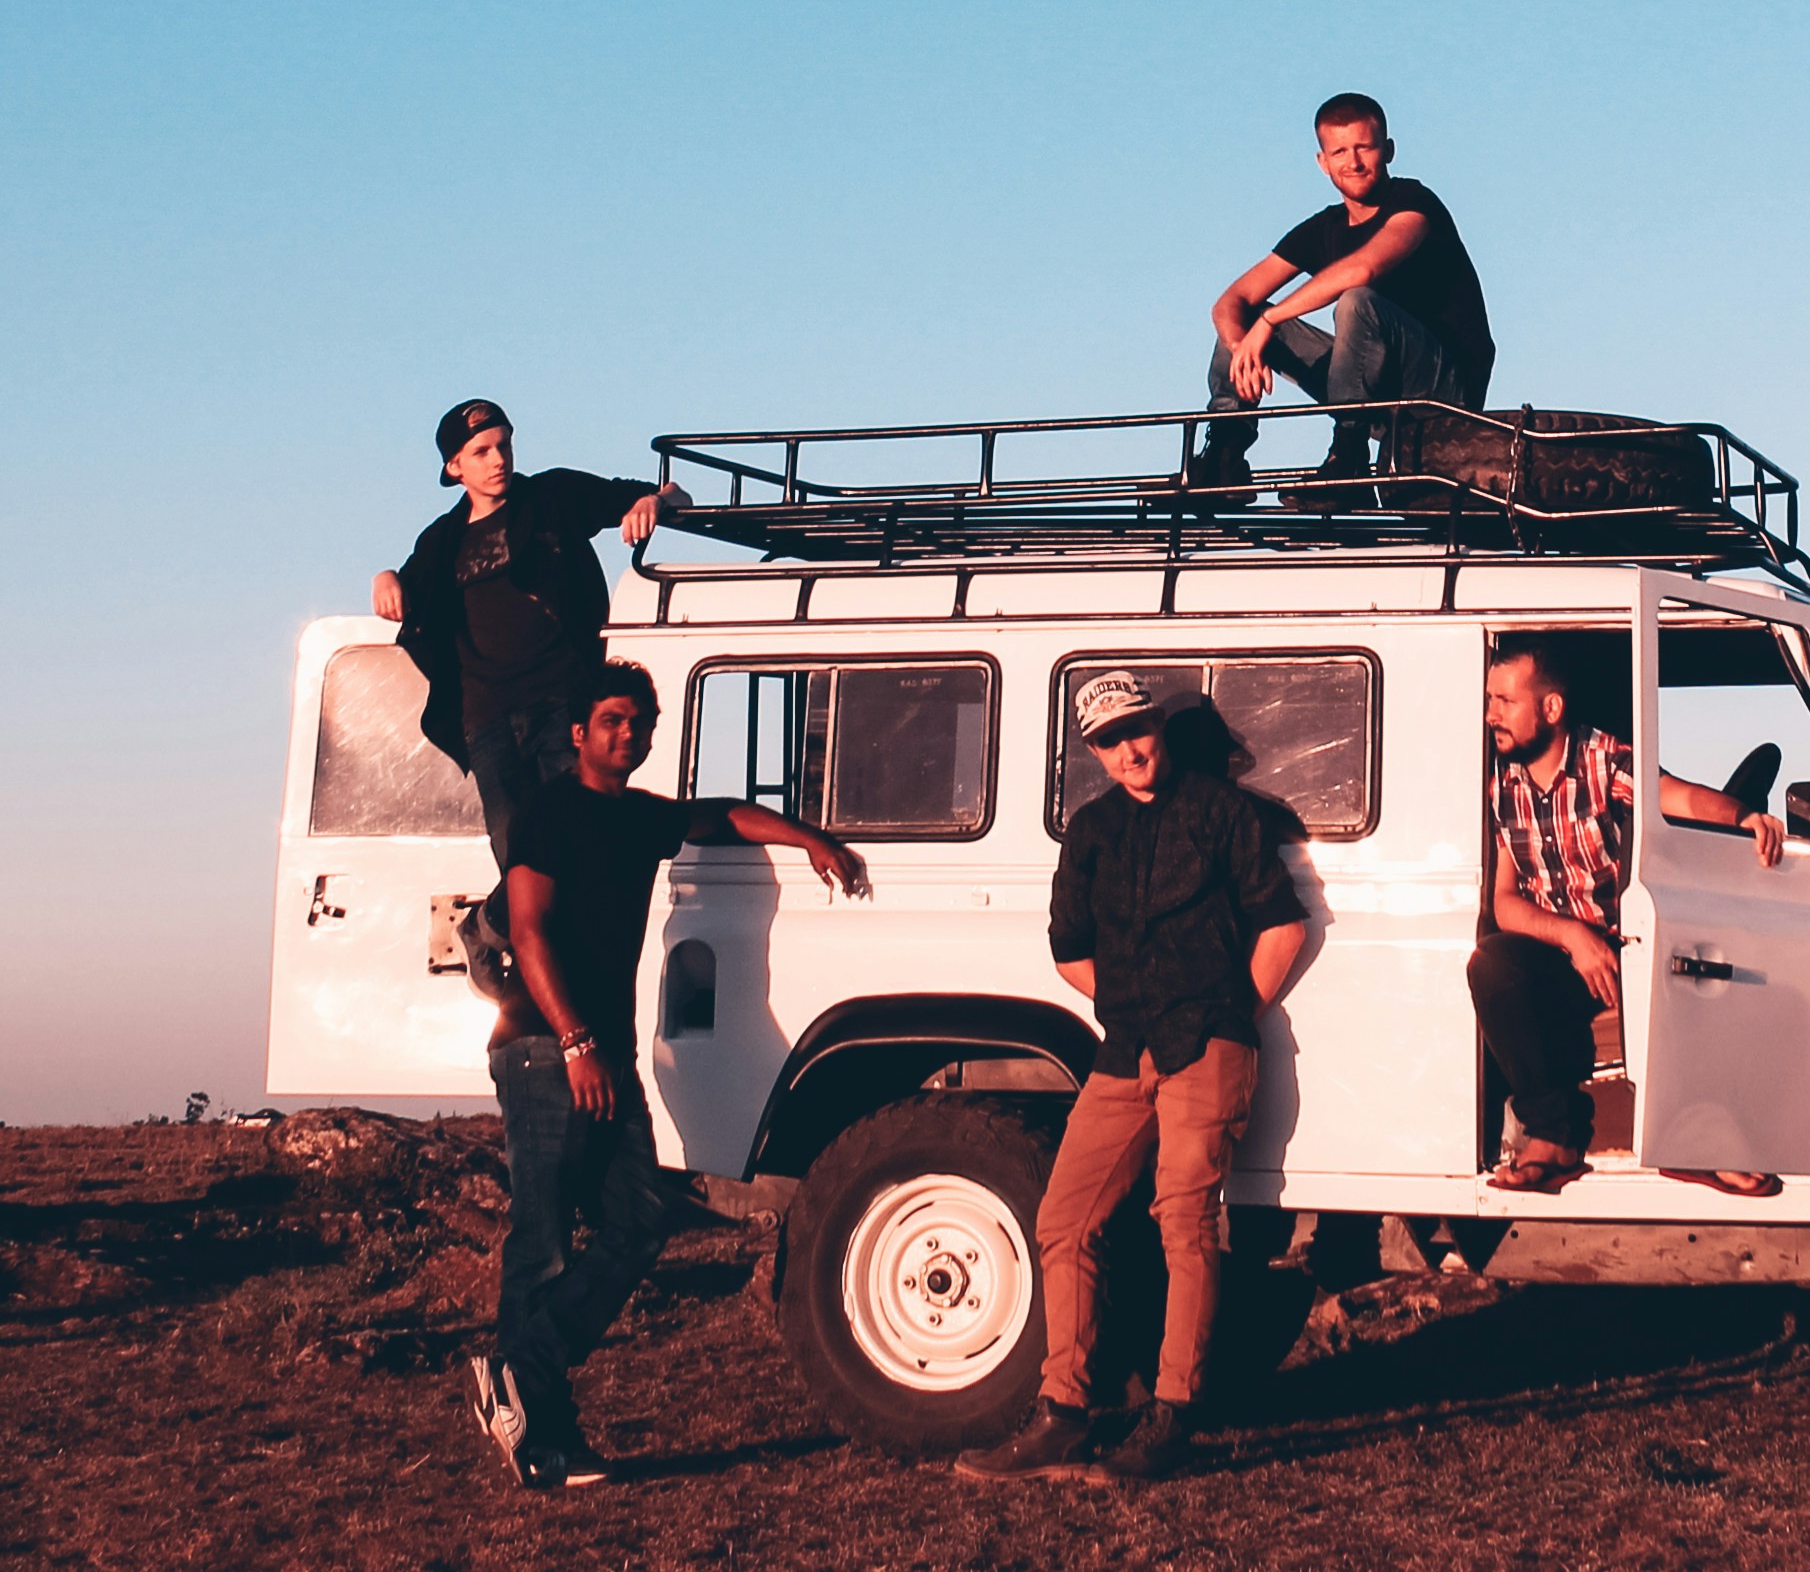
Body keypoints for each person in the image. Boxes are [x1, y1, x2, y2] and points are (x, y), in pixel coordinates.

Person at [470, 655, 868, 1489]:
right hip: (547, 1049)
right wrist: (576, 1042)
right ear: (579, 734)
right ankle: (541, 1433)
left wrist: (811, 838)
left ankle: (523, 1375)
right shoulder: (549, 815)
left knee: (643, 1219)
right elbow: (532, 930)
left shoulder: (638, 819)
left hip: (602, 1050)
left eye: (639, 723)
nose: (629, 734)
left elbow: (717, 815)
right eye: (613, 720)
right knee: (542, 1240)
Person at [956, 670, 1309, 1487]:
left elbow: (1282, 927)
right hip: (1123, 1051)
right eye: (1108, 742)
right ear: (1094, 752)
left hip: (1208, 1044)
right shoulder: (1090, 830)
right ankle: (1062, 1416)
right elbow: (1068, 948)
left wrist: (1225, 1014)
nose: (1128, 752)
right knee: (1062, 1221)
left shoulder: (1224, 813)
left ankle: (1172, 1417)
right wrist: (1133, 1002)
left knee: (1183, 1222)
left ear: (1159, 729)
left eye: (1136, 732)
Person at [1469, 637, 1786, 1196]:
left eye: (1504, 700)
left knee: (1697, 961)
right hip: (1564, 955)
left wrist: (1744, 818)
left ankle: (1695, 1145)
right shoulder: (1500, 783)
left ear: (1551, 709)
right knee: (1491, 965)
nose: (1491, 713)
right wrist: (1571, 937)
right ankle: (1554, 1137)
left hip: (1627, 949)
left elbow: (1676, 798)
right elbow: (1505, 902)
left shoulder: (1602, 757)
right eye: (1490, 699)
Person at [371, 400, 685, 877]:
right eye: (481, 452)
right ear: (454, 467)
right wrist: (384, 576)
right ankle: (496, 931)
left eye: (504, 445)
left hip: (563, 704)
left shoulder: (553, 496)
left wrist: (653, 503)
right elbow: (405, 588)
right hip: (487, 719)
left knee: (580, 841)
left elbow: (676, 495)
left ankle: (543, 940)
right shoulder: (441, 541)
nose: (498, 459)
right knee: (519, 858)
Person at [1196, 95, 1496, 497]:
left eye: (1364, 148)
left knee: (1356, 299)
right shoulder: (1324, 228)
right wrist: (1244, 345)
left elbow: (1364, 269)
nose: (1352, 162)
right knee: (1246, 318)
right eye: (1339, 151)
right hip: (1372, 391)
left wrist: (1271, 321)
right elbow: (1230, 300)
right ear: (1323, 162)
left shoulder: (1414, 204)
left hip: (1441, 394)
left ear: (1387, 150)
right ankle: (1225, 453)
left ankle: (1349, 457)